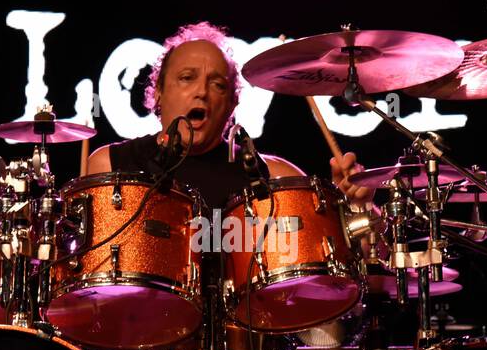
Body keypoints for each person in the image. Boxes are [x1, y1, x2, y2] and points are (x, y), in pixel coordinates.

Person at [86, 21, 375, 210]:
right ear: (158, 91)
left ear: (232, 103)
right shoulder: (109, 166)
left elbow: (354, 266)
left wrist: (352, 207)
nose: (202, 91)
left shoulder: (274, 178)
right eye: (187, 78)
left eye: (217, 84)